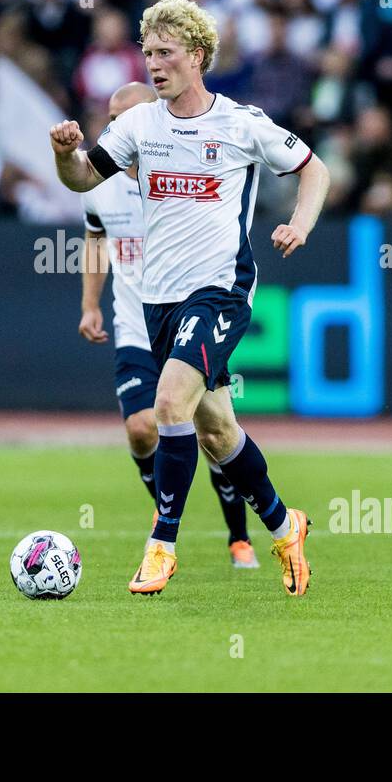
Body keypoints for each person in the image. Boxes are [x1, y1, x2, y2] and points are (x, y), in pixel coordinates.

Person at [50, 0, 330, 596]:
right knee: (218, 433)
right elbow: (81, 180)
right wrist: (62, 152)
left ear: (197, 56)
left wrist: (300, 225)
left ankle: (161, 545)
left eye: (165, 53)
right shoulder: (137, 127)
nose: (153, 63)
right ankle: (285, 525)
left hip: (221, 292)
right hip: (157, 300)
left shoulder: (240, 123)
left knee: (170, 404)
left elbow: (315, 169)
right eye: (147, 52)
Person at [79, 81, 259, 570]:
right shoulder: (103, 181)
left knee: (212, 430)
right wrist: (90, 305)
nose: (116, 127)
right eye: (110, 118)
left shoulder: (184, 170)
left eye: (126, 116)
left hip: (189, 315)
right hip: (137, 324)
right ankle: (166, 520)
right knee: (142, 429)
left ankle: (238, 535)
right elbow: (96, 239)